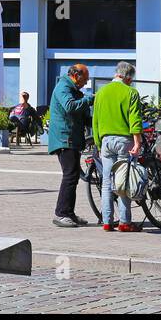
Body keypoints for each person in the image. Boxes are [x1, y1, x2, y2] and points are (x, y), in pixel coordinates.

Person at [92, 62, 142, 233]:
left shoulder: (101, 93)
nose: (131, 82)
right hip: (124, 141)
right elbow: (135, 120)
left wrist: (98, 143)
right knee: (124, 182)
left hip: (105, 141)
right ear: (127, 77)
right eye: (131, 79)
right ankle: (124, 222)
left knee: (107, 183)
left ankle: (107, 222)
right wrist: (137, 142)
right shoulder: (131, 93)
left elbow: (95, 120)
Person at [48, 63, 95, 228]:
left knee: (73, 177)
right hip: (64, 139)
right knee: (69, 176)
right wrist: (89, 99)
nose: (86, 83)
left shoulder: (74, 91)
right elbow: (69, 106)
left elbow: (83, 116)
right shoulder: (63, 88)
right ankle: (61, 214)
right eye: (85, 79)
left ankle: (69, 213)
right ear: (76, 75)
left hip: (72, 139)